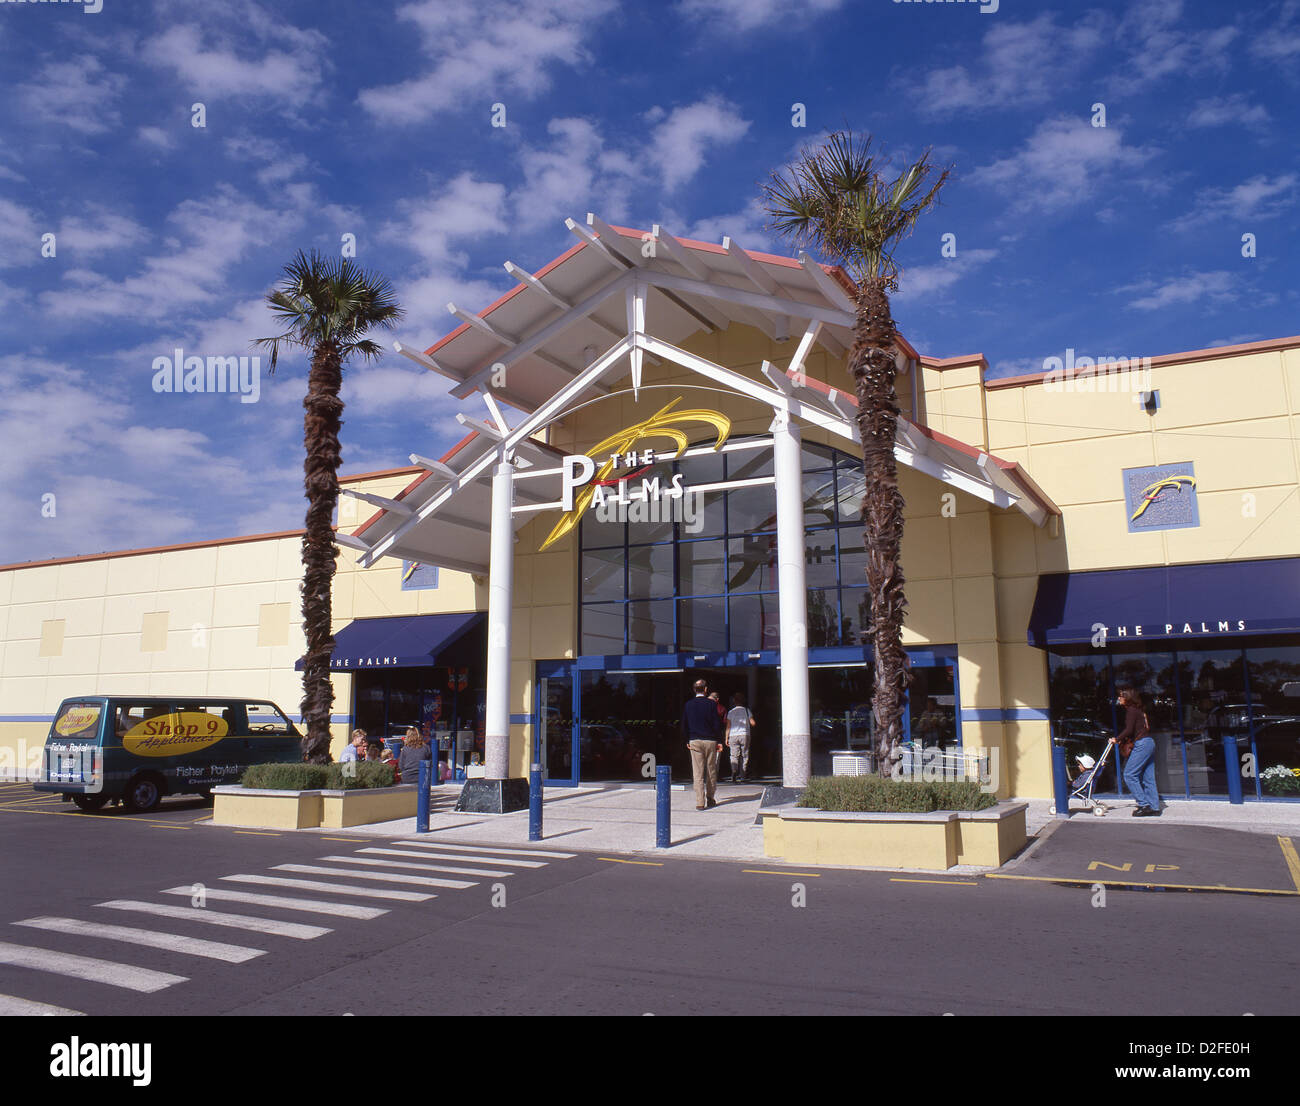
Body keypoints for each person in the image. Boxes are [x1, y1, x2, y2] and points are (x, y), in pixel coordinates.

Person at [1111, 688, 1159, 816]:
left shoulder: (1131, 711)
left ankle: (1144, 805)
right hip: (1149, 742)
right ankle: (1154, 807)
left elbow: (1129, 730)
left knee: (1129, 774)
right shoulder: (1138, 710)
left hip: (1142, 744)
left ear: (1128, 697)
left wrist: (1116, 739)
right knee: (1148, 777)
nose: (1119, 698)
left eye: (1121, 696)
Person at [682, 679, 723, 810]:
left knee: (698, 772)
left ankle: (700, 802)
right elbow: (717, 724)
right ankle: (710, 798)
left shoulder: (688, 705)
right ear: (706, 689)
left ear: (694, 690)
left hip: (695, 740)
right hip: (710, 740)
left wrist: (687, 739)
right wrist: (719, 741)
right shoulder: (711, 704)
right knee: (711, 770)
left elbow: (684, 724)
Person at [725, 692, 755, 783]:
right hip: (744, 734)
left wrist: (726, 738)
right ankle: (742, 776)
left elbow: (728, 726)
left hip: (733, 735)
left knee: (734, 755)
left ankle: (734, 771)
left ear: (734, 701)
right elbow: (753, 723)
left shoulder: (731, 712)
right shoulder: (746, 710)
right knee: (744, 755)